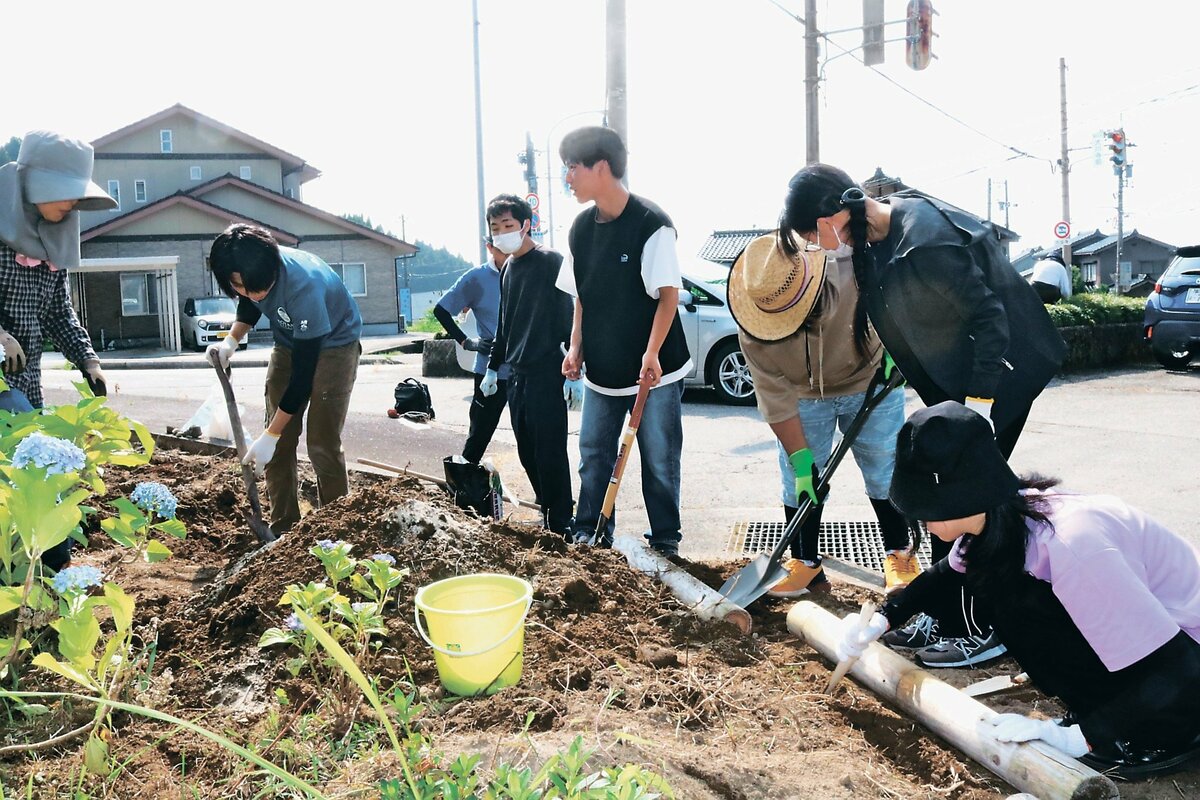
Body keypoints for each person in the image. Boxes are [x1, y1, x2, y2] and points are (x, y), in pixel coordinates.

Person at [779, 164, 1067, 666]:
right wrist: (895, 361)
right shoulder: (872, 243)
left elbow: (990, 321)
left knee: (971, 501)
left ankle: (982, 626)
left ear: (834, 213)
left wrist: (978, 410)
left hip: (1003, 372)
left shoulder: (926, 242)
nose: (816, 244)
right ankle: (944, 611)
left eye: (812, 233)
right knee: (942, 498)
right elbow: (899, 312)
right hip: (956, 375)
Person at [836, 401, 1200, 778]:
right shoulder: (998, 522)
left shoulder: (1072, 548)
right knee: (1004, 597)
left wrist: (1081, 738)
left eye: (925, 509)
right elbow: (943, 576)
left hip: (1187, 662)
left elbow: (1179, 669)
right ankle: (1102, 710)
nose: (922, 522)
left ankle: (1161, 733)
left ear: (959, 497)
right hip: (1170, 655)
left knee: (1027, 609)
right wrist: (880, 620)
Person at [728, 233, 915, 597]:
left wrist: (898, 347)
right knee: (796, 478)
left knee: (884, 469)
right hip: (802, 394)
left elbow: (898, 299)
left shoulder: (848, 264)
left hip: (870, 380)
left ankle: (900, 553)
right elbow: (773, 396)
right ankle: (806, 563)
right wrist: (801, 461)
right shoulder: (753, 314)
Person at [556, 126, 691, 557]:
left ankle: (666, 539)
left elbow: (668, 296)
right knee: (594, 451)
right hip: (602, 367)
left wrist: (652, 353)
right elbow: (581, 296)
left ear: (601, 167)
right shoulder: (580, 228)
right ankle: (590, 532)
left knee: (658, 457)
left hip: (656, 369)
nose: (568, 178)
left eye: (572, 168)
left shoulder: (652, 224)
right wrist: (576, 347)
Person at [206, 223, 362, 534]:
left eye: (259, 287)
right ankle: (284, 528)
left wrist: (271, 435)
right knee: (278, 443)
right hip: (291, 342)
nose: (254, 294)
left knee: (321, 442)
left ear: (273, 266)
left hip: (335, 344)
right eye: (241, 287)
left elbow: (302, 380)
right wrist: (231, 341)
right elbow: (250, 303)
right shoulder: (250, 270)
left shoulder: (304, 286)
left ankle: (334, 530)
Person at [479, 195, 575, 536]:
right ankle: (547, 508)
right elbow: (504, 325)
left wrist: (574, 366)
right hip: (516, 375)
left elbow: (570, 314)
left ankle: (561, 520)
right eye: (495, 228)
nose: (502, 233)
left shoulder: (551, 261)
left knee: (550, 451)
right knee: (527, 452)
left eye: (508, 226)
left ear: (525, 225)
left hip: (548, 371)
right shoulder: (508, 269)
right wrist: (493, 367)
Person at [0, 131, 115, 409]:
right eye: (67, 192)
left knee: (29, 440)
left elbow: (58, 312)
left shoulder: (55, 241)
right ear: (35, 183)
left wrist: (88, 361)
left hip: (26, 380)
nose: (73, 203)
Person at [433, 237, 511, 464]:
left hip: (525, 368)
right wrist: (467, 342)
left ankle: (546, 497)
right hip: (490, 372)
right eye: (500, 248)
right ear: (490, 247)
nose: (507, 254)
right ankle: (461, 487)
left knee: (532, 440)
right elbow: (442, 310)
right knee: (479, 435)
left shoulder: (528, 272)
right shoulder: (477, 278)